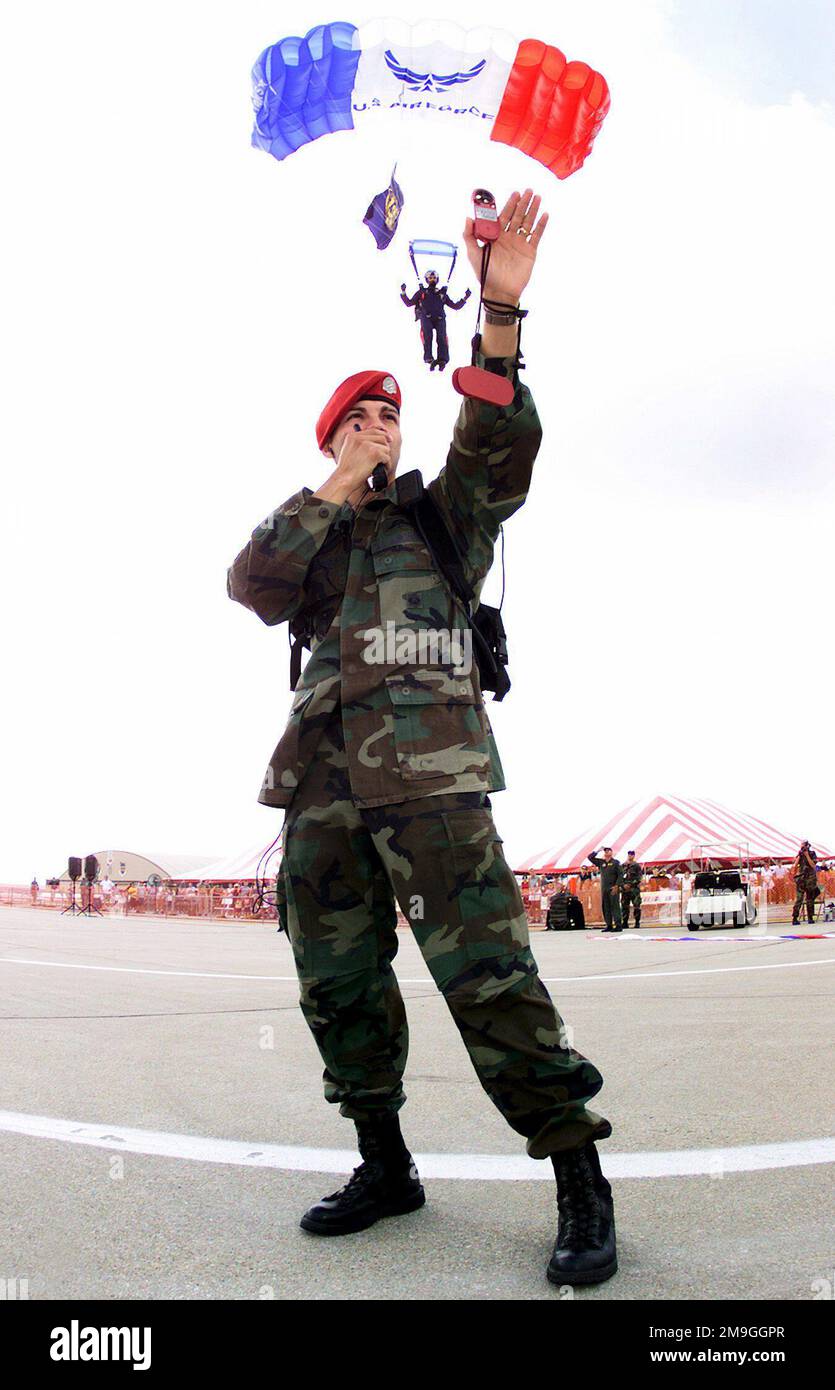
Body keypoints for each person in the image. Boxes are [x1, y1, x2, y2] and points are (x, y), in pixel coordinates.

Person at [228, 190, 617, 1287]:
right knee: (339, 986)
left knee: (492, 979)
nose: (379, 428)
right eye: (359, 422)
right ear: (330, 442)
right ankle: (383, 1163)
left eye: (389, 418)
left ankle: (579, 1178)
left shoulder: (443, 517)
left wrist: (498, 314)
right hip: (321, 793)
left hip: (435, 784)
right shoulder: (307, 536)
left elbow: (498, 445)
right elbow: (248, 583)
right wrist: (335, 483)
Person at [400, 271, 471, 371]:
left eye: (434, 278)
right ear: (427, 280)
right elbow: (409, 303)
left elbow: (455, 306)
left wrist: (465, 297)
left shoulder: (442, 293)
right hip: (426, 318)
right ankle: (429, 357)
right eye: (430, 278)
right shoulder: (422, 292)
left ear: (437, 279)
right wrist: (403, 292)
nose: (432, 279)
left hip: (440, 319)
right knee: (427, 337)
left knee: (442, 338)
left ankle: (443, 359)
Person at [588, 847, 624, 931]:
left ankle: (618, 925)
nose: (606, 852)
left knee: (615, 906)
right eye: (605, 851)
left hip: (613, 888)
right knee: (606, 907)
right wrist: (598, 850)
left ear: (611, 852)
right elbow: (590, 857)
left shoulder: (615, 863)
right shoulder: (601, 862)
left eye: (608, 851)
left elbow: (620, 875)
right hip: (604, 888)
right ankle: (609, 925)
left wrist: (617, 885)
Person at [791, 840, 819, 925]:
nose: (802, 847)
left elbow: (813, 866)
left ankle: (810, 918)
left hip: (810, 879)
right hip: (801, 880)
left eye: (803, 846)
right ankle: (795, 918)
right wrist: (799, 856)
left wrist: (807, 855)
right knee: (799, 899)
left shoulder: (812, 853)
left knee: (809, 899)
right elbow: (794, 865)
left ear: (808, 846)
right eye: (801, 846)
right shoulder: (800, 854)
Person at [620, 850, 642, 929]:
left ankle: (637, 922)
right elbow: (620, 877)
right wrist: (623, 885)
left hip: (634, 890)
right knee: (624, 906)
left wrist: (631, 884)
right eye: (629, 854)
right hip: (625, 890)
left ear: (634, 856)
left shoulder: (636, 866)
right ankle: (625, 922)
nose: (630, 856)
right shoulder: (623, 865)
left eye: (632, 855)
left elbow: (639, 877)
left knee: (636, 906)